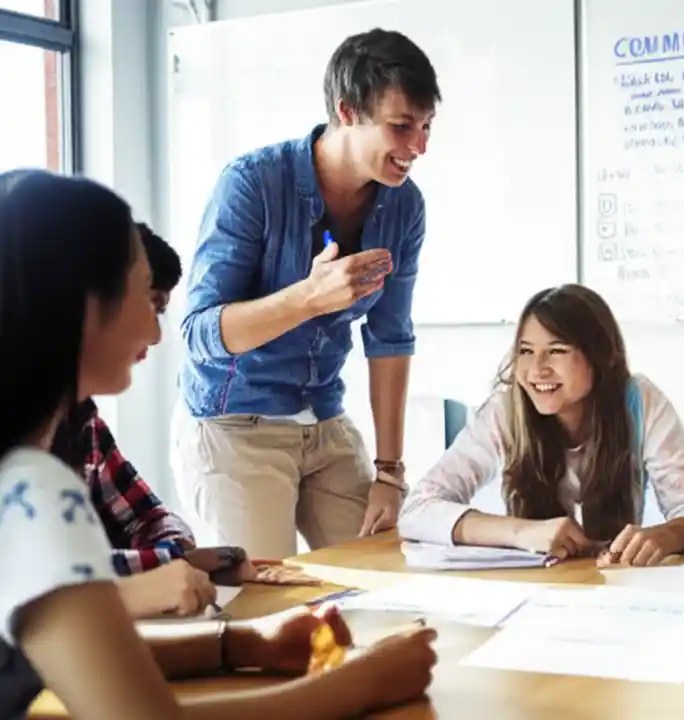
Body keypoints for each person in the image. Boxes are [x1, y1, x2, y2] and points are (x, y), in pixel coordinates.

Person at [0, 169, 436, 718]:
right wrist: (366, 682)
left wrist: (239, 645)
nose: (159, 334)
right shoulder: (33, 488)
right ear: (87, 307)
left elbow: (79, 652)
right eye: (143, 295)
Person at [172, 29, 441, 559]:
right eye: (402, 126)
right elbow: (200, 332)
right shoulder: (252, 184)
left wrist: (391, 472)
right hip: (234, 423)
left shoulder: (405, 206)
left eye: (428, 127)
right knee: (264, 606)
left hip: (323, 420)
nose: (419, 147)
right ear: (346, 111)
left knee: (382, 585)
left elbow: (390, 337)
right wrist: (309, 298)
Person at [52, 224, 316, 620]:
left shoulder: (82, 420)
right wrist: (176, 564)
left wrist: (182, 561)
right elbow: (50, 580)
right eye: (148, 305)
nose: (156, 335)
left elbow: (150, 519)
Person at [399, 284, 684, 566]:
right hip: (525, 590)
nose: (536, 369)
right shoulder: (505, 411)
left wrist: (667, 535)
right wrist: (521, 532)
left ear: (599, 356)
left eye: (556, 351)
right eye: (526, 351)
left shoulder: (638, 401)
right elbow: (417, 510)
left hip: (610, 586)